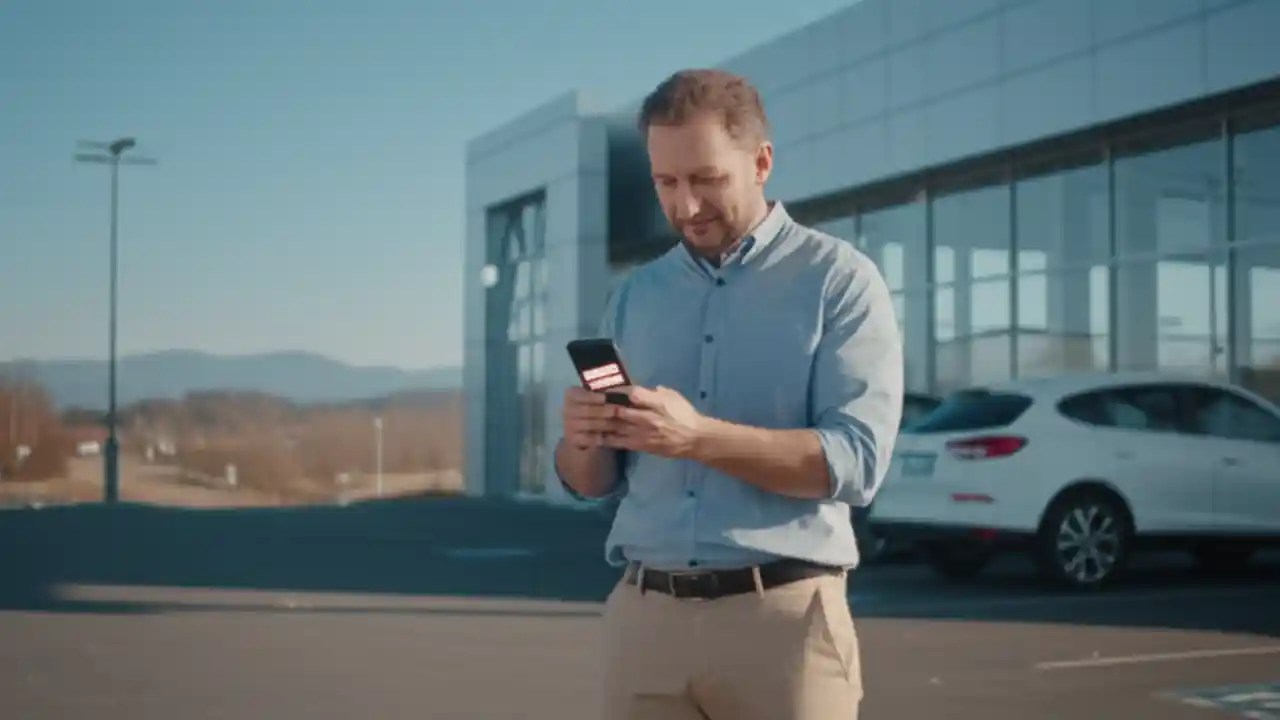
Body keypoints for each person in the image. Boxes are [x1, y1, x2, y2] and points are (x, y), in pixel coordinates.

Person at [554, 68, 903, 720]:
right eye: (666, 183)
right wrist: (582, 442)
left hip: (785, 627)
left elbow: (856, 464)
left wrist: (698, 438)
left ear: (762, 161)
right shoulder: (634, 297)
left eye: (706, 179)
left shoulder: (840, 282)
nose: (685, 206)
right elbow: (592, 481)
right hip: (645, 627)